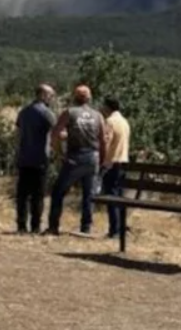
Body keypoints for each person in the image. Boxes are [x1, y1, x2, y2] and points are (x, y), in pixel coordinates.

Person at [46, 84, 110, 236]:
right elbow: (103, 140)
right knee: (89, 194)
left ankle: (53, 226)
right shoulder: (98, 115)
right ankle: (85, 228)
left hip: (75, 157)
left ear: (74, 97)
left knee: (58, 192)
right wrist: (102, 159)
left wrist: (59, 152)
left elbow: (55, 134)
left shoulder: (69, 112)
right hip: (93, 157)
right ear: (90, 98)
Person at [15, 84, 56, 234]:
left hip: (24, 158)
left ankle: (21, 225)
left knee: (22, 194)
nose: (52, 99)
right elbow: (57, 132)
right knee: (38, 195)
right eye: (50, 95)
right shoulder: (47, 113)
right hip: (40, 159)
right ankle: (35, 226)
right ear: (42, 95)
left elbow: (18, 135)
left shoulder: (23, 112)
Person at [100, 96, 131, 238]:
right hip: (123, 161)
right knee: (119, 196)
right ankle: (120, 227)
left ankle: (114, 230)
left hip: (112, 162)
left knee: (111, 197)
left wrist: (102, 161)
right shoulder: (124, 122)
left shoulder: (110, 121)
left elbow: (106, 142)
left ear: (108, 107)